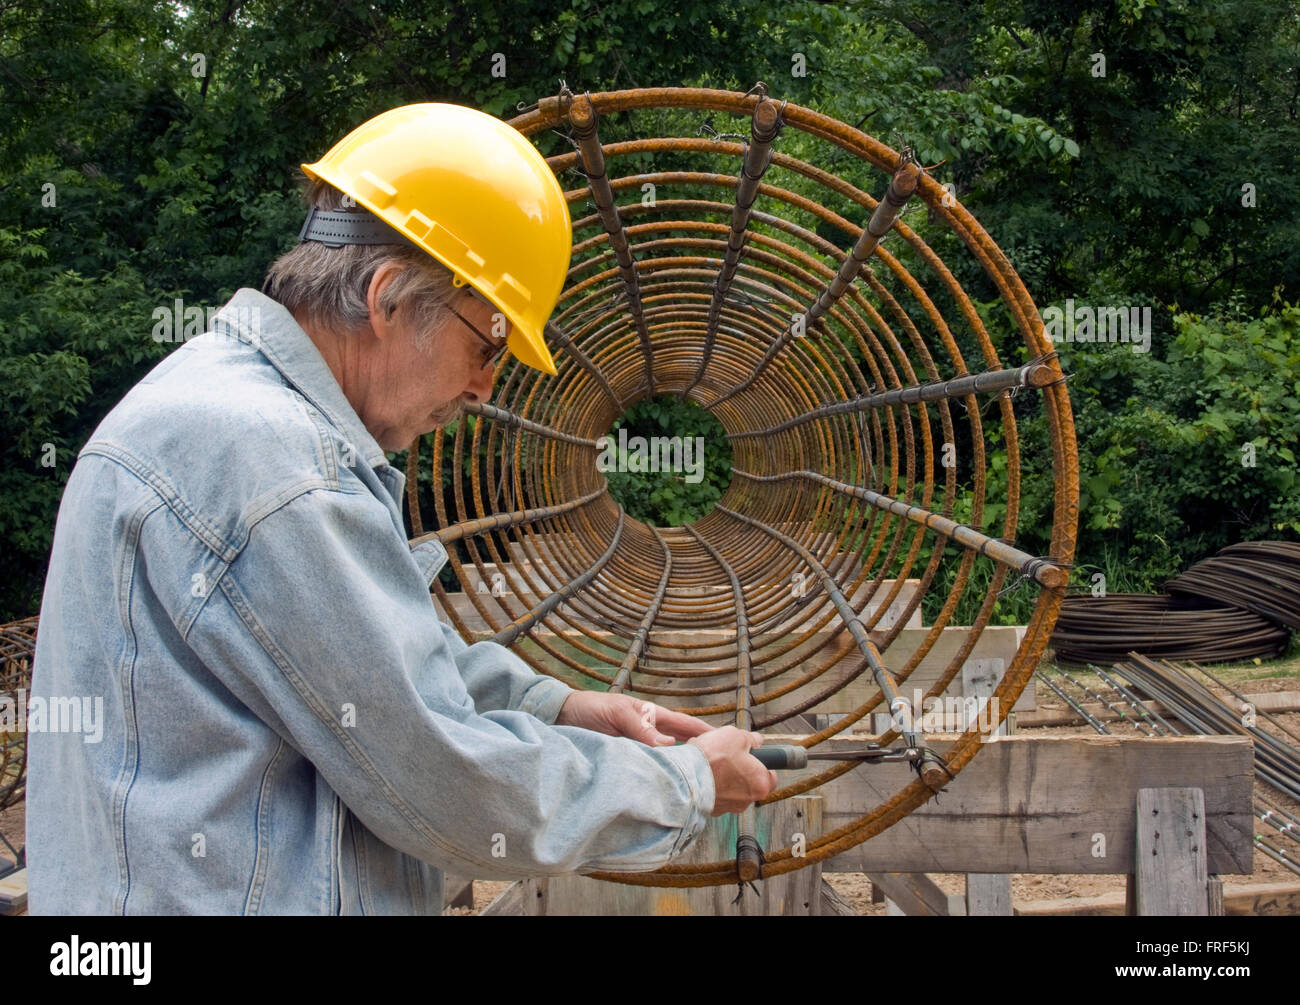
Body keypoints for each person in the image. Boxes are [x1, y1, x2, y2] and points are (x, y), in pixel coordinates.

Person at [26, 103, 777, 915]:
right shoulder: (278, 469)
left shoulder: (222, 413)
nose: (486, 388)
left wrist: (554, 705)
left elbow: (372, 666)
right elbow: (442, 776)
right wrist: (684, 782)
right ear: (387, 297)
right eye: (488, 345)